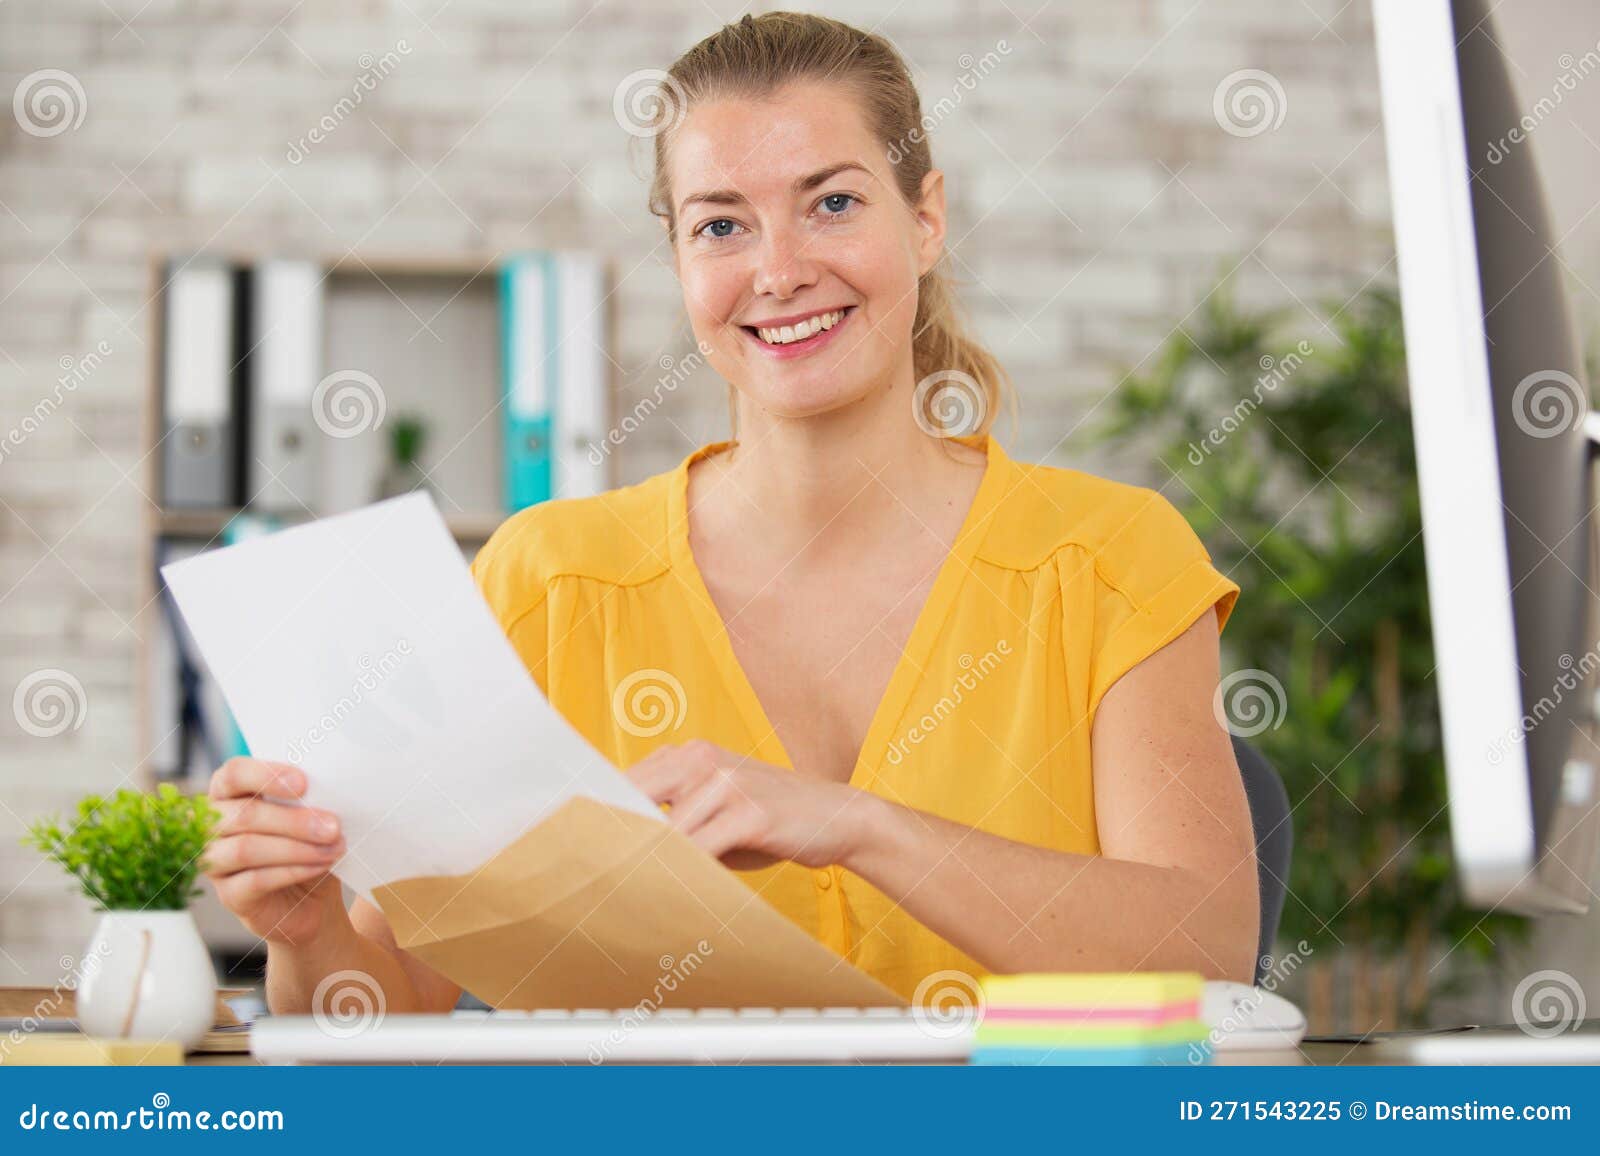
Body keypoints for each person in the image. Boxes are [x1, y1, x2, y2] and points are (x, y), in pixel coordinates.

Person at [205, 12, 1259, 1016]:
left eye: (833, 203)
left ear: (925, 218)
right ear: (679, 262)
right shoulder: (551, 580)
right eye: (720, 224)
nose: (780, 269)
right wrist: (308, 935)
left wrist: (858, 826)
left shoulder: (1108, 557)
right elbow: (390, 1009)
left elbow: (1208, 952)